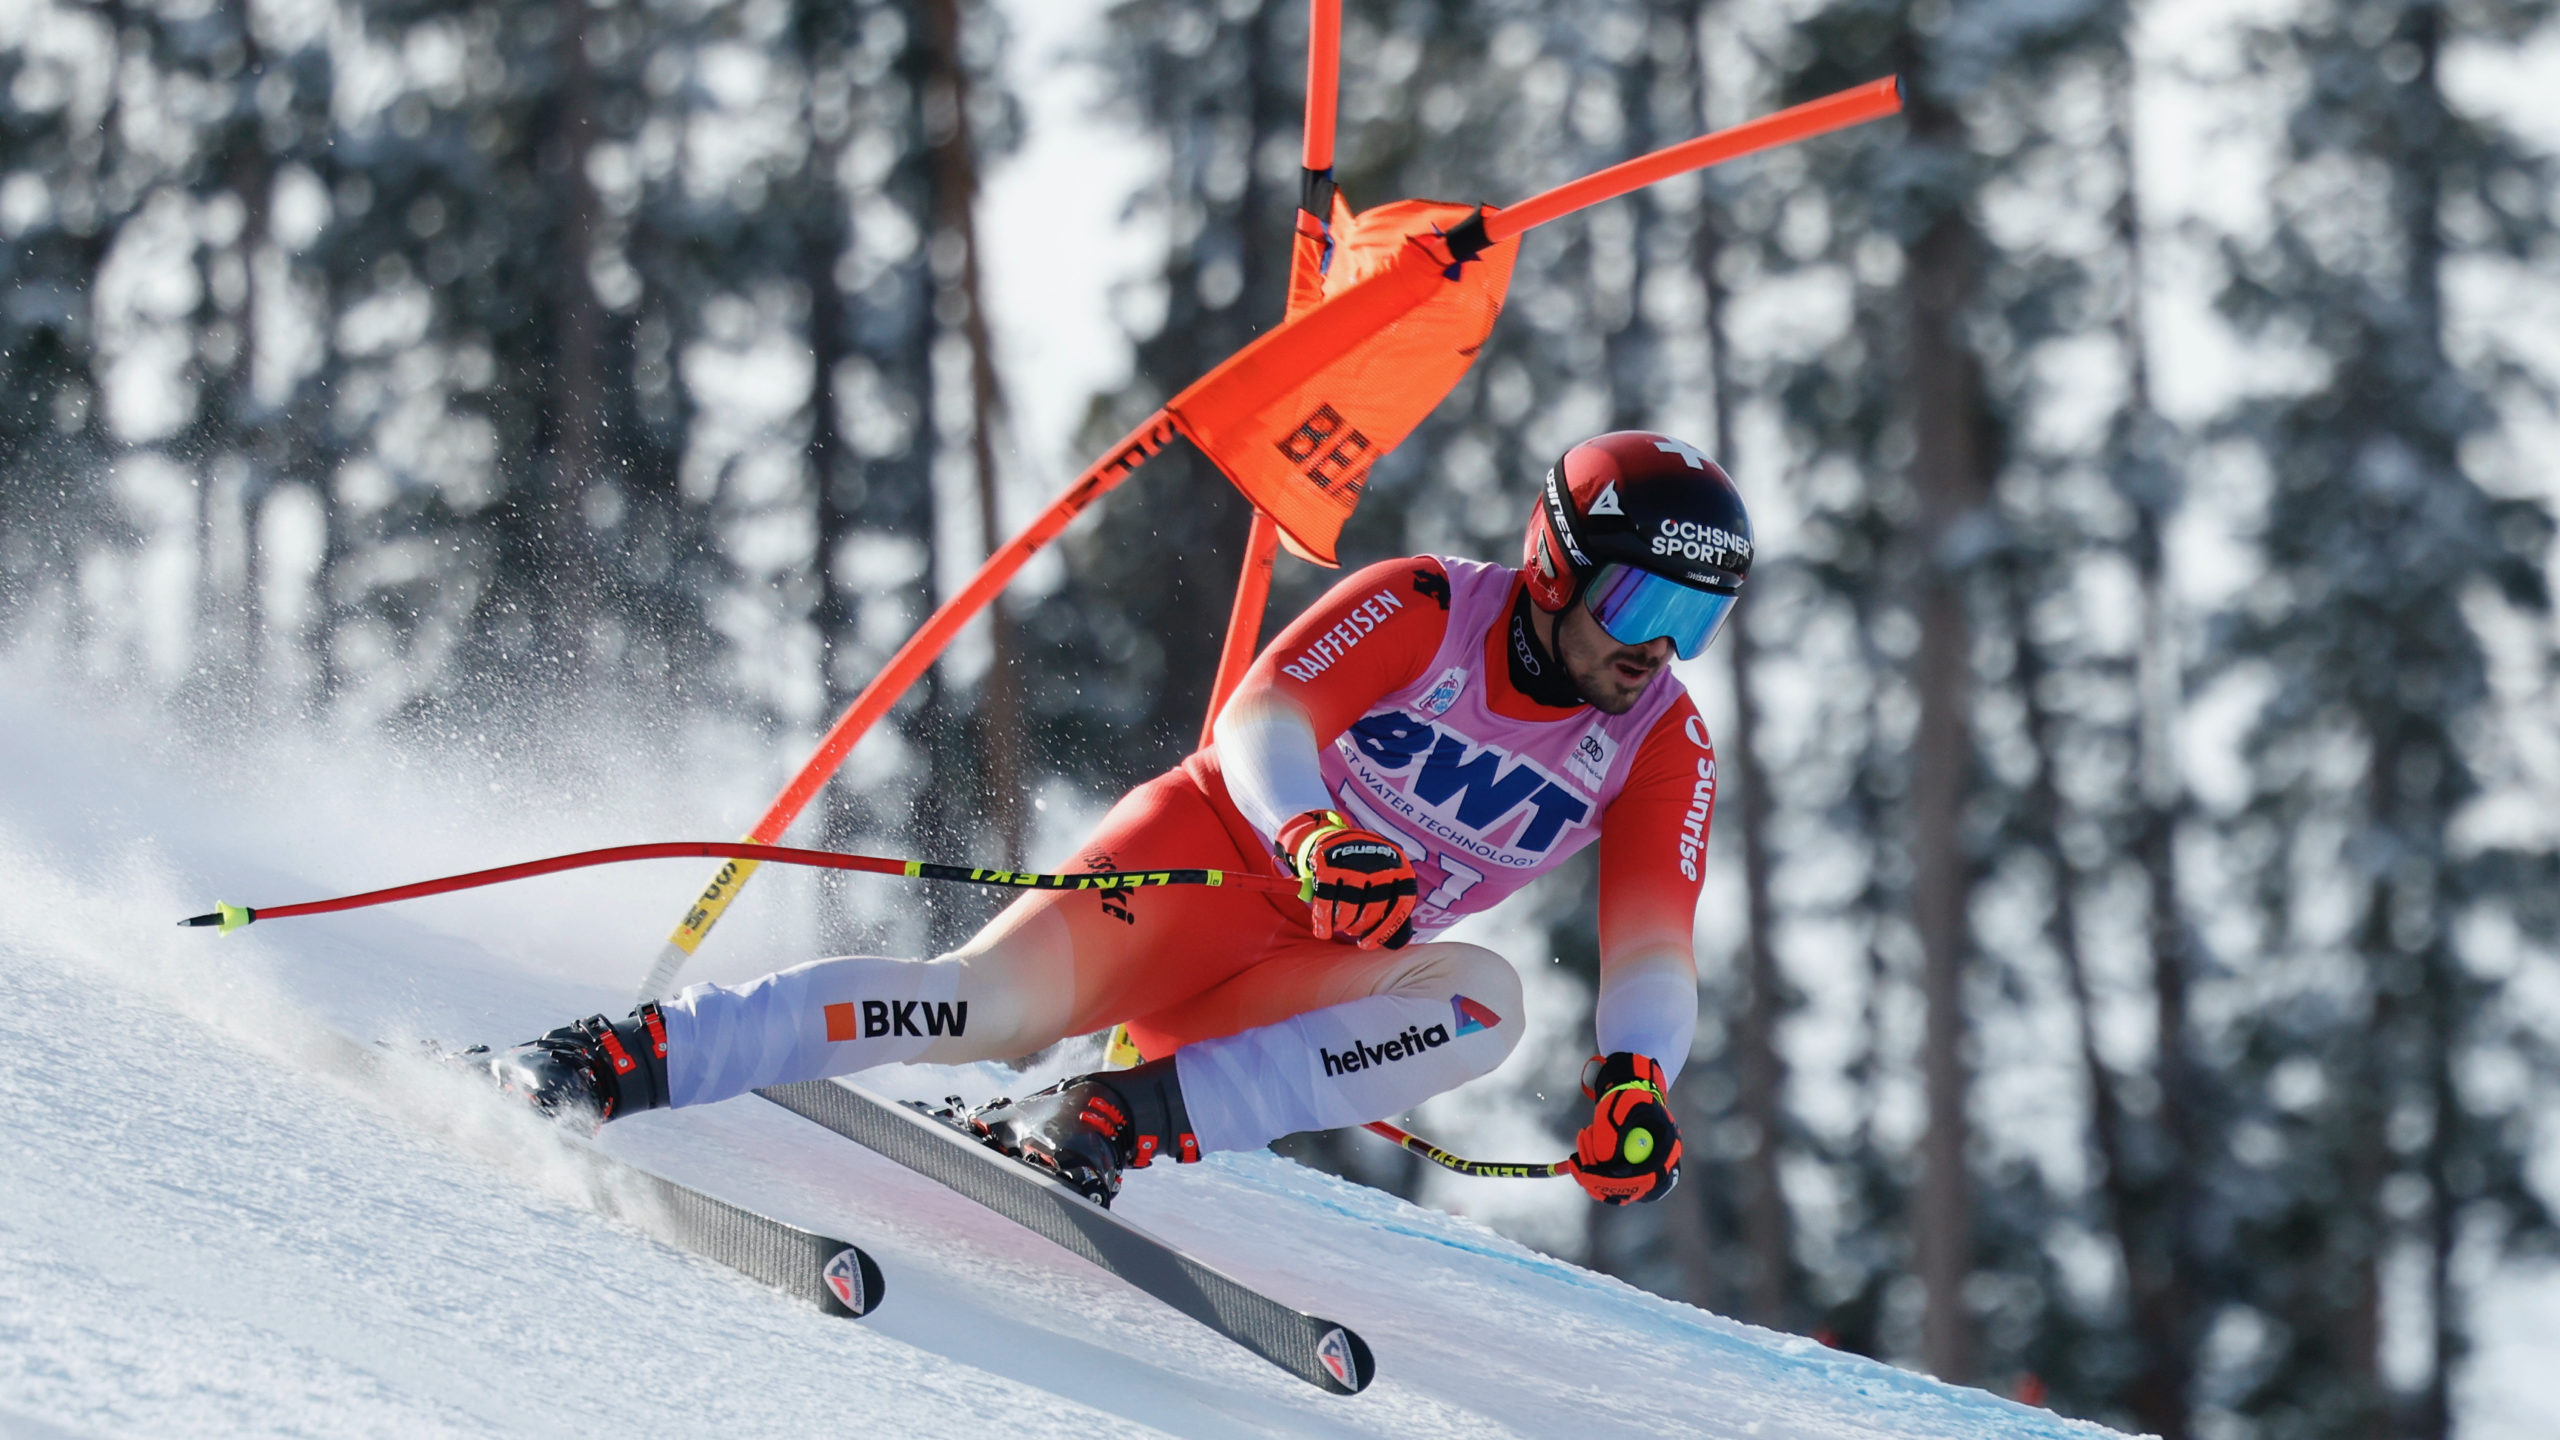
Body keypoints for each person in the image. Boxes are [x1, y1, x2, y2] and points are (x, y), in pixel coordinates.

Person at [487, 430, 1748, 1209]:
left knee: (1482, 1005)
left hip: (1311, 964)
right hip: (1198, 872)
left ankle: (1111, 1114)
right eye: (1643, 605)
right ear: (1554, 562)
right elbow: (1262, 720)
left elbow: (1652, 951)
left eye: (1697, 623)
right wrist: (1313, 832)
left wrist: (1634, 1083)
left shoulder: (1659, 743)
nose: (1659, 652)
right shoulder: (1427, 606)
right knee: (971, 1010)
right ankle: (620, 1057)